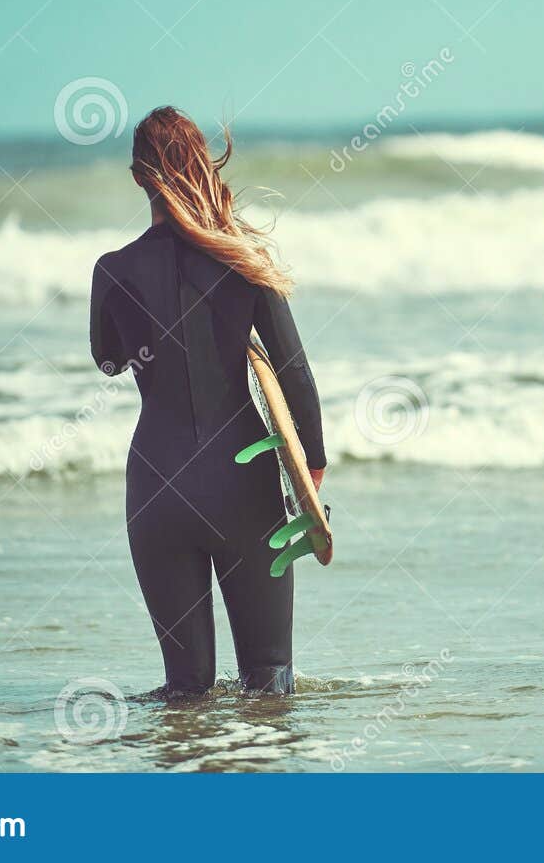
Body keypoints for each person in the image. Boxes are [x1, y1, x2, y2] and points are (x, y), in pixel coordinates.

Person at [89, 106, 326, 695]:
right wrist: (311, 469)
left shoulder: (113, 270)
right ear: (203, 163)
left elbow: (110, 360)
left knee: (185, 692)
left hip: (156, 488)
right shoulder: (241, 261)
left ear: (139, 176)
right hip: (243, 484)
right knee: (269, 683)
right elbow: (295, 374)